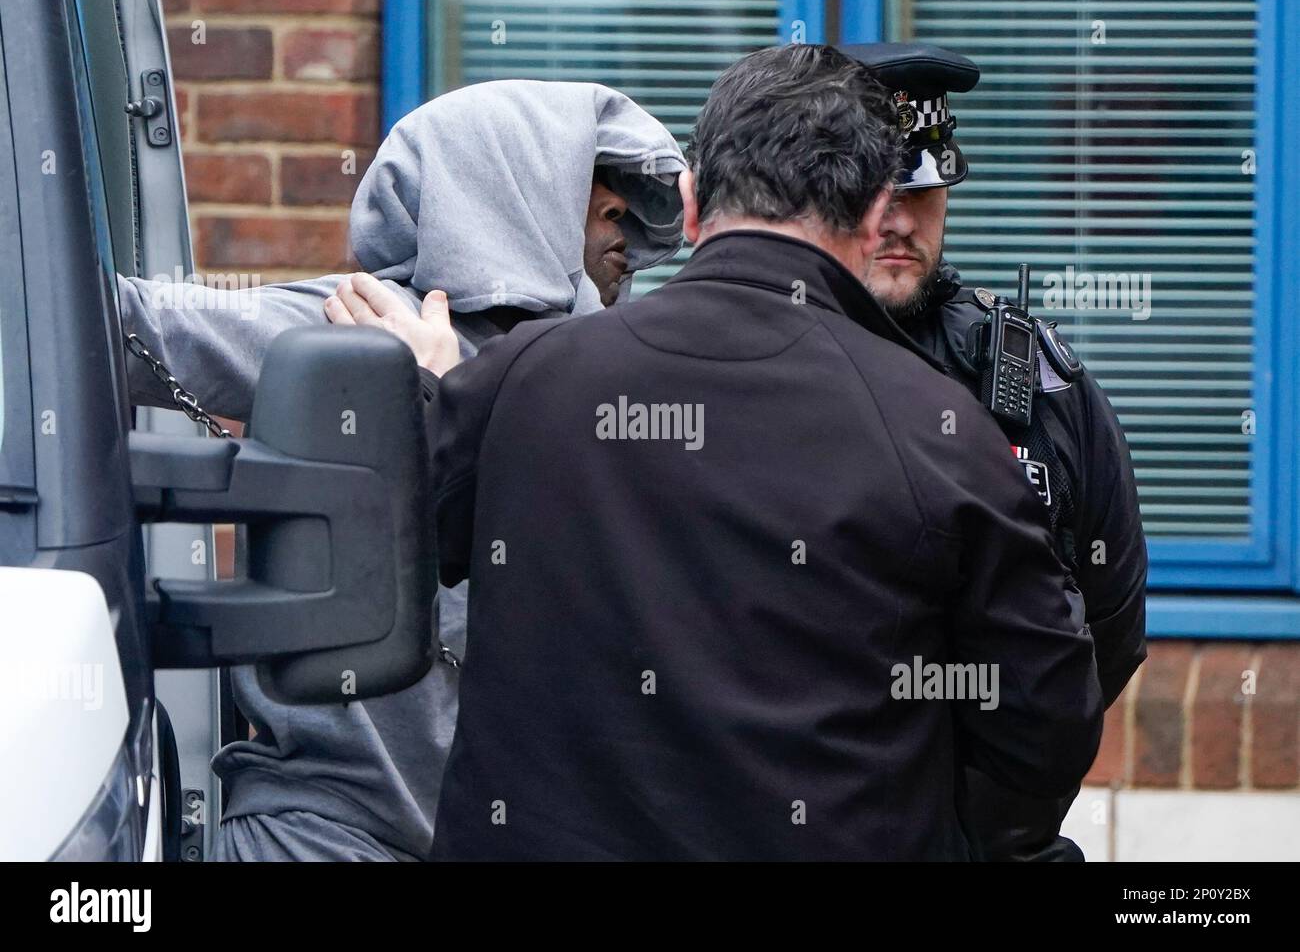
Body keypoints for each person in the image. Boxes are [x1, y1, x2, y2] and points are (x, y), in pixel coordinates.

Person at [335, 43, 1104, 860]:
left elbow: (389, 556)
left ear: (693, 203)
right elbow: (1045, 720)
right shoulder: (944, 434)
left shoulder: (521, 384)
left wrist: (428, 393)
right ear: (879, 212)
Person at [116, 79, 686, 860]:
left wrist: (457, 398)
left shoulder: (619, 381)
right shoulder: (356, 326)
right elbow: (133, 326)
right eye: (606, 211)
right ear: (514, 194)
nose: (626, 240)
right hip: (321, 830)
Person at [837, 42, 1148, 861]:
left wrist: (990, 813)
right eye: (873, 191)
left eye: (922, 190)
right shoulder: (752, 364)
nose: (899, 218)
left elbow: (1105, 629)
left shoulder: (1039, 382)